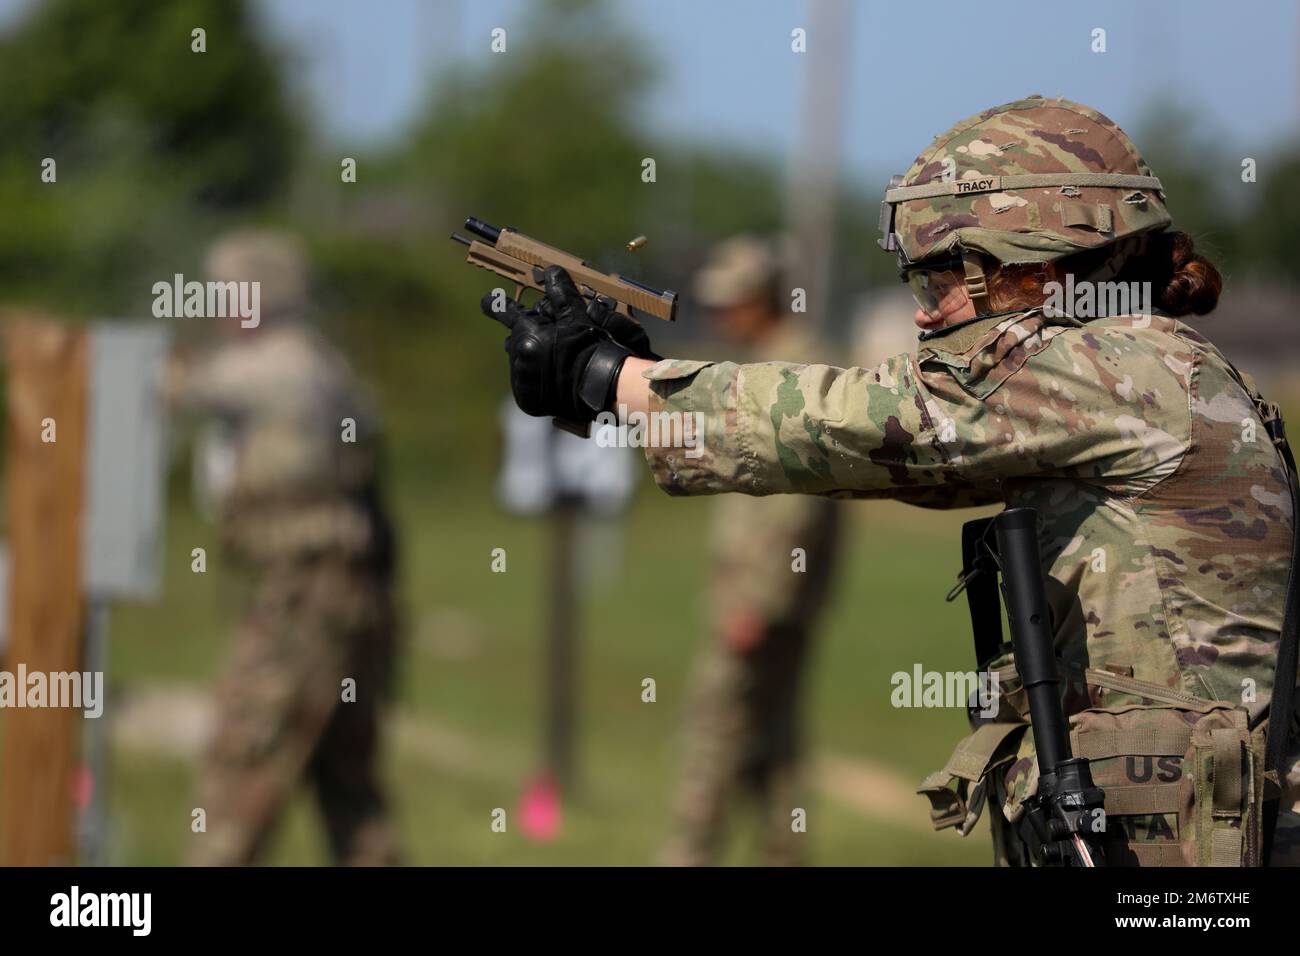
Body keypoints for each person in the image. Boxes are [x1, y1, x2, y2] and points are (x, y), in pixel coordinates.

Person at [481, 97, 1299, 866]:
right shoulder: (1137, 366)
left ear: (1037, 267)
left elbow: (874, 419)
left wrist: (611, 379)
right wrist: (641, 389)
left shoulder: (1118, 364)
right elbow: (883, 456)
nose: (925, 311)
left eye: (941, 279)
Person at [173, 230, 401, 866]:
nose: (214, 309)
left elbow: (184, 386)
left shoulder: (280, 362)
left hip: (302, 598)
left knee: (242, 763)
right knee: (347, 785)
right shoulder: (326, 364)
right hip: (346, 599)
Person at [661, 236, 842, 866]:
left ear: (760, 299)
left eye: (729, 303)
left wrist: (754, 602)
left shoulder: (791, 371)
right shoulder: (777, 360)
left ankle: (687, 854)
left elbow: (796, 509)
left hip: (759, 600)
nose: (719, 318)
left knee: (716, 732)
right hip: (775, 599)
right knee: (774, 741)